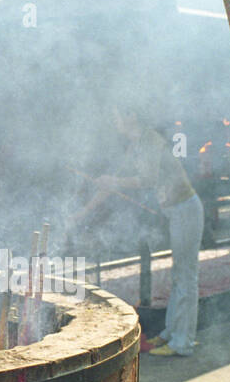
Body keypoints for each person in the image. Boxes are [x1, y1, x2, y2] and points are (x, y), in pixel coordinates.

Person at [86, 104, 202, 357]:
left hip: (185, 208)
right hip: (176, 211)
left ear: (131, 115)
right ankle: (171, 333)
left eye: (117, 114)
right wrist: (82, 212)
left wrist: (112, 181)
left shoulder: (150, 139)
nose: (114, 120)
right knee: (178, 275)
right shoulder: (136, 144)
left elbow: (147, 180)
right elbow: (112, 183)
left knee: (186, 277)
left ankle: (182, 342)